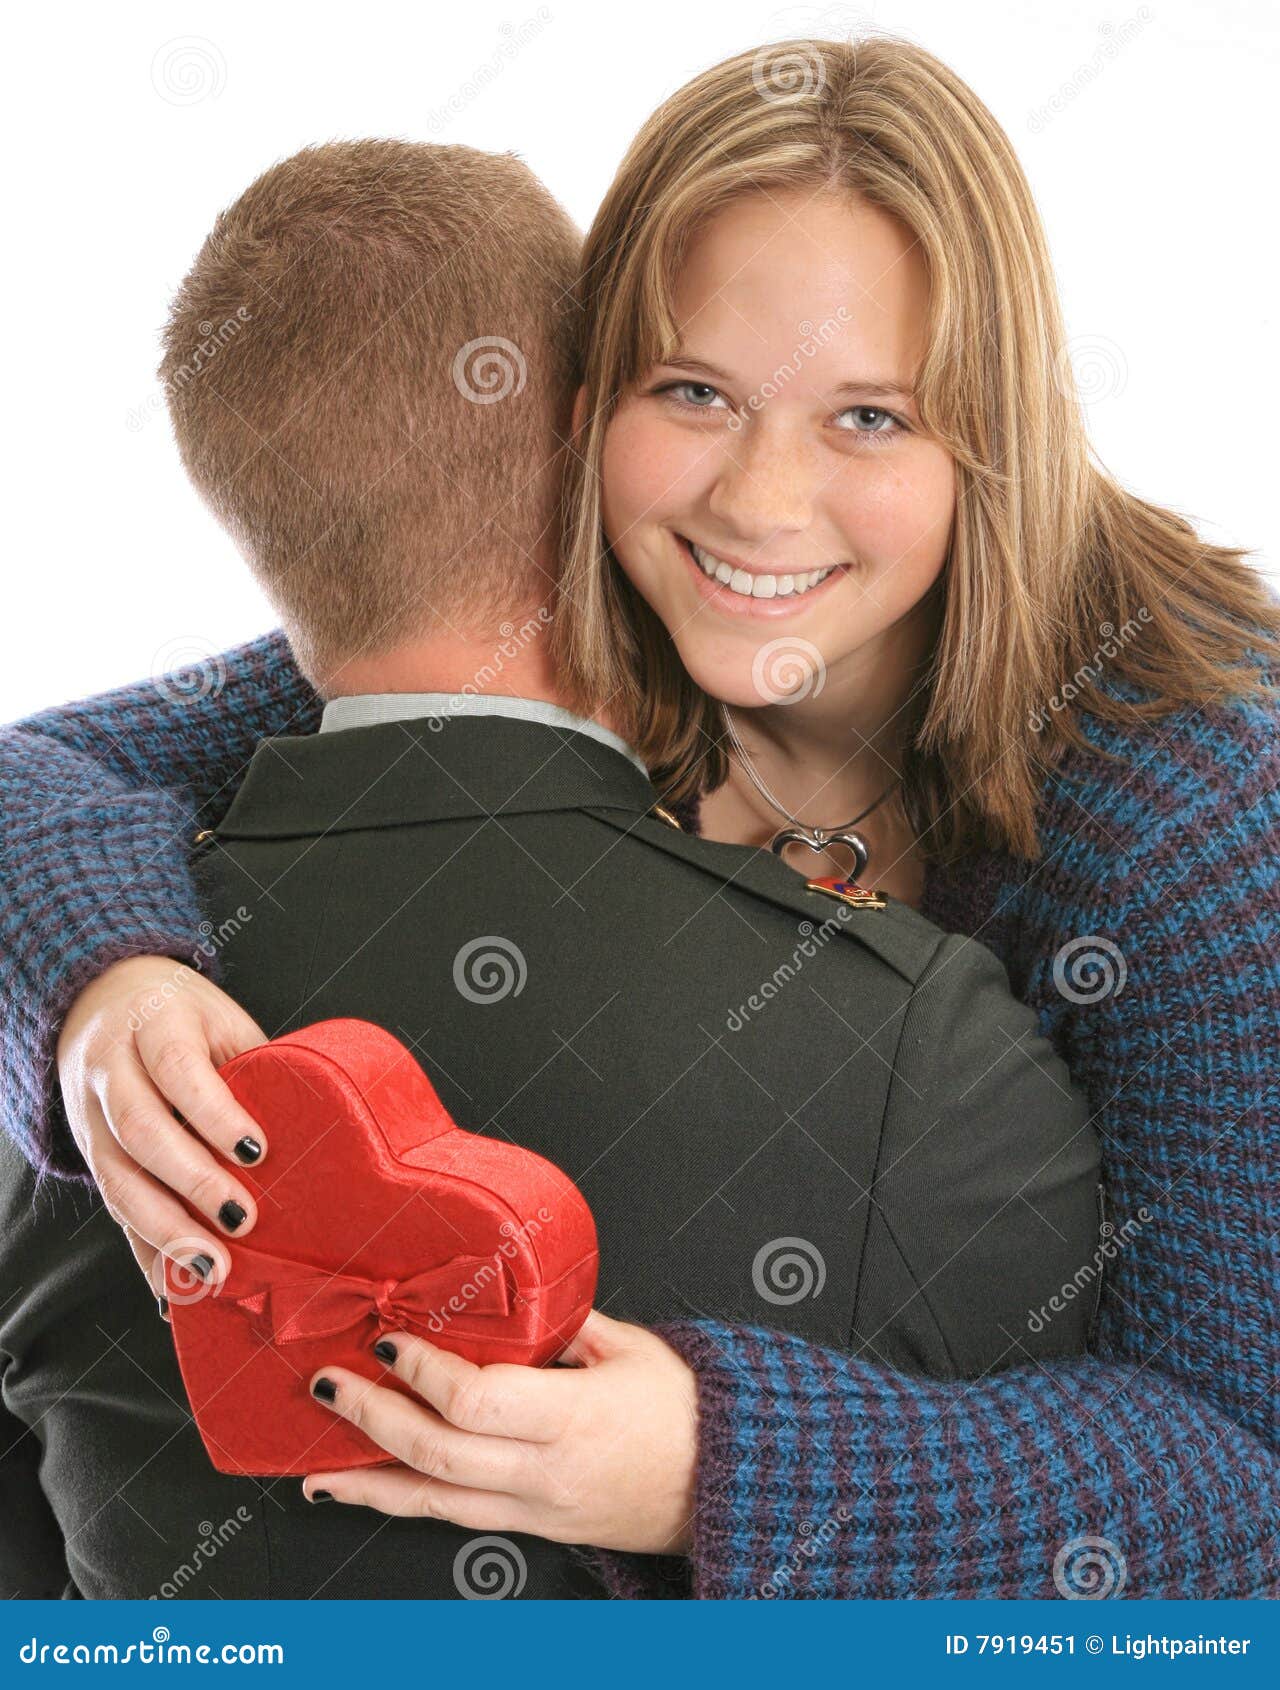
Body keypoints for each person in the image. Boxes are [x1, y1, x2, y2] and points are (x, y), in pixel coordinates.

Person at [3, 36, 1278, 1597]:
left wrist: (716, 1465)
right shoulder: (610, 597)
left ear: (990, 436)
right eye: (696, 392)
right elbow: (43, 769)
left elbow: (1251, 1480)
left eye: (869, 417)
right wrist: (101, 974)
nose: (757, 501)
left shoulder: (1194, 813)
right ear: (581, 408)